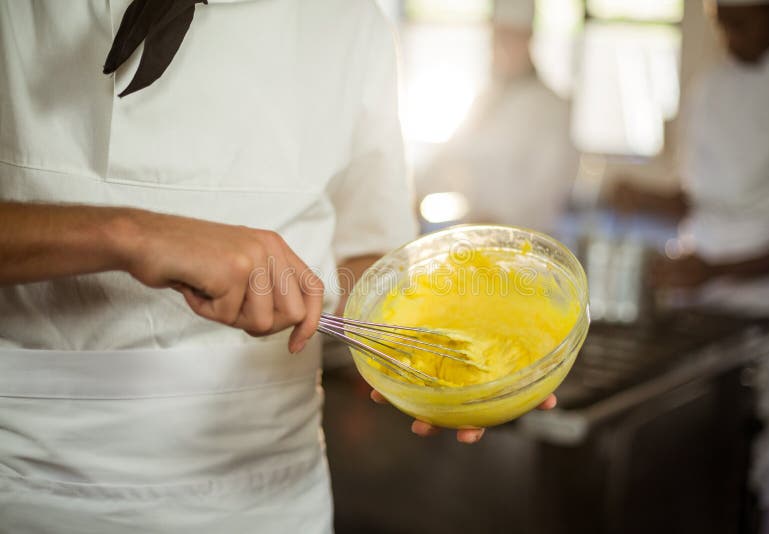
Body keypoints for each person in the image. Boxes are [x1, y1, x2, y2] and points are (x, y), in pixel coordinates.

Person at [0, 1, 556, 531]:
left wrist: (423, 362)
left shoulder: (351, 23)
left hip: (268, 494)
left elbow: (370, 260)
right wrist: (131, 236)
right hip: (23, 476)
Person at [612, 0, 769, 531]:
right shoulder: (711, 86)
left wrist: (718, 269)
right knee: (701, 446)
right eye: (723, 23)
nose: (731, 36)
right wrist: (642, 198)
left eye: (743, 22)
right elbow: (699, 199)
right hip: (702, 295)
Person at [419, 0, 578, 232]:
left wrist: (496, 219)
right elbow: (449, 155)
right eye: (497, 37)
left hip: (524, 245)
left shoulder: (553, 107)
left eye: (510, 37)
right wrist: (416, 190)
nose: (500, 47)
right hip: (474, 237)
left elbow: (547, 187)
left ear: (529, 39)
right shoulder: (485, 98)